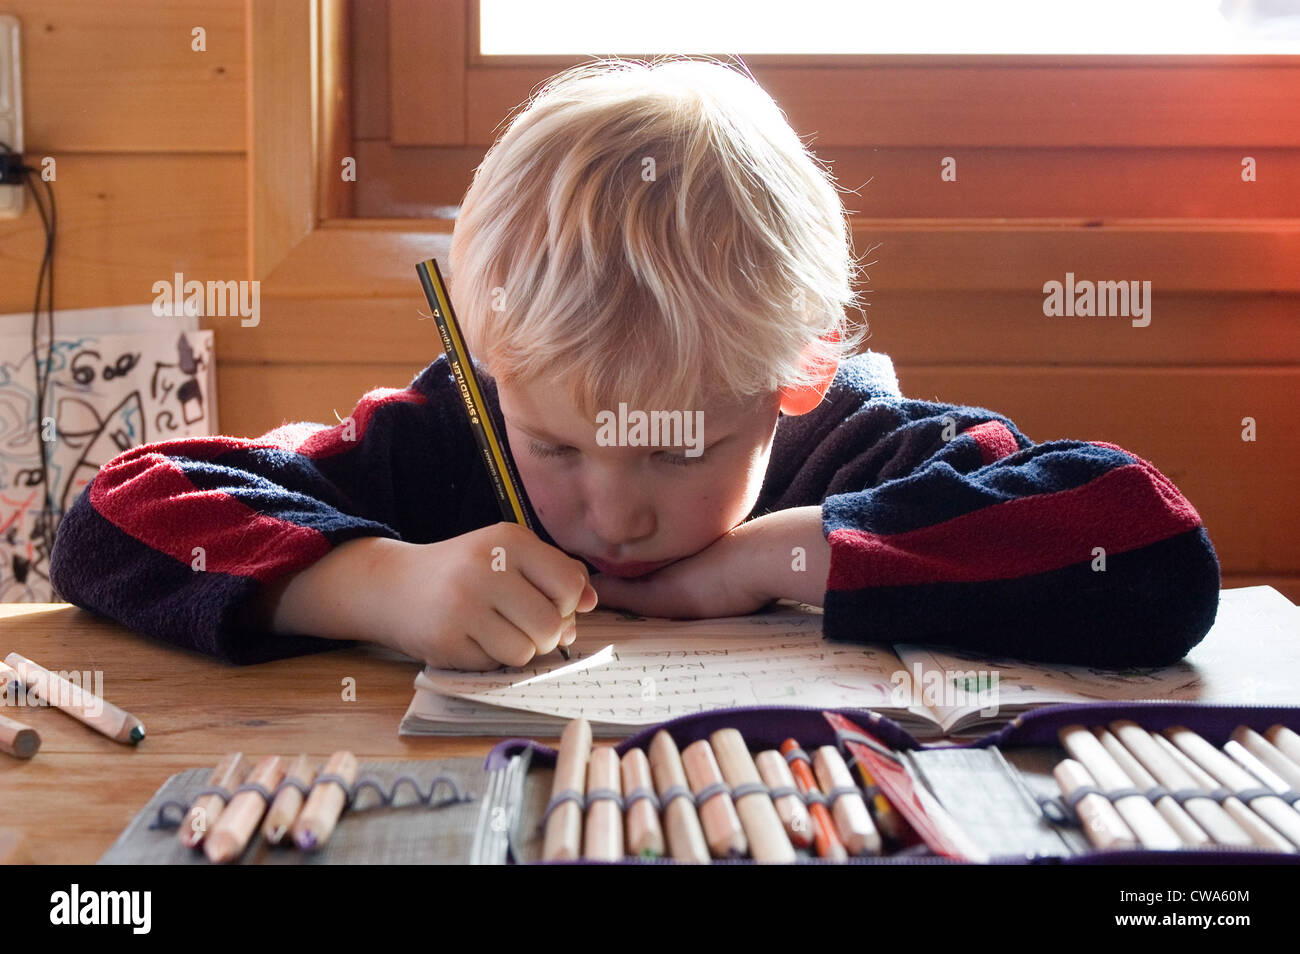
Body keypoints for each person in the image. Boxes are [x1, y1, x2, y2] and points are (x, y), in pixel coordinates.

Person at [48, 57, 1220, 671]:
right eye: (553, 443)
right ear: (493, 366)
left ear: (793, 378)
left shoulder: (862, 444)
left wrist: (786, 557)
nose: (611, 512)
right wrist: (381, 588)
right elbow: (114, 513)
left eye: (679, 449)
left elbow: (1149, 546)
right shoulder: (452, 428)